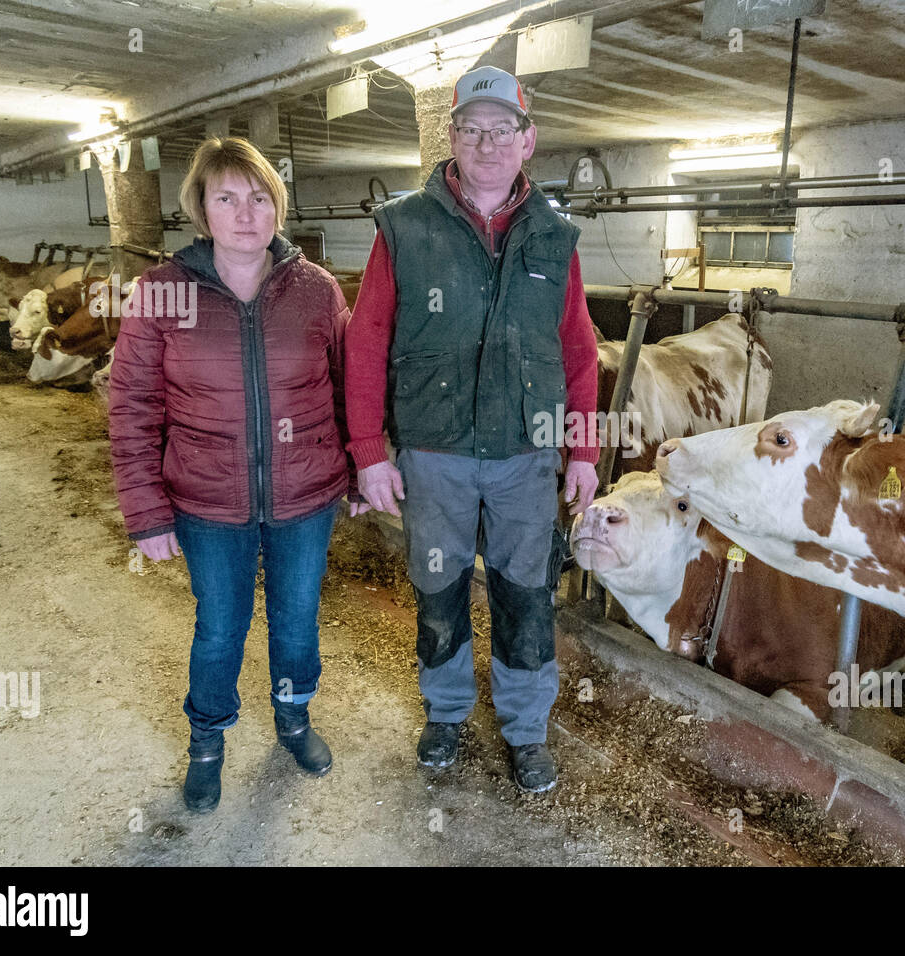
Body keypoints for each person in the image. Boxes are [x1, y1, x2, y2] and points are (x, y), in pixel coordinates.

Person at [345, 66, 599, 793]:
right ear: (451, 136)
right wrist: (369, 452)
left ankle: (525, 729)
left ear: (528, 141)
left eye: (502, 129)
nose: (486, 143)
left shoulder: (555, 237)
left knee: (527, 594)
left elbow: (578, 350)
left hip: (526, 452)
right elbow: (366, 341)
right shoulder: (404, 226)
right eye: (472, 128)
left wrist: (583, 449)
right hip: (434, 451)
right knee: (439, 588)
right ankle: (447, 712)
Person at [108, 136, 366, 813]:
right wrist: (146, 512)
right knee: (219, 627)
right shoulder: (162, 293)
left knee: (297, 624)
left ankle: (293, 719)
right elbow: (133, 408)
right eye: (227, 198)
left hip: (306, 495)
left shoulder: (314, 290)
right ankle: (207, 740)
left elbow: (347, 389)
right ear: (202, 209)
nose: (245, 213)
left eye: (258, 198)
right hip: (205, 501)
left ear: (276, 207)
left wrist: (362, 472)